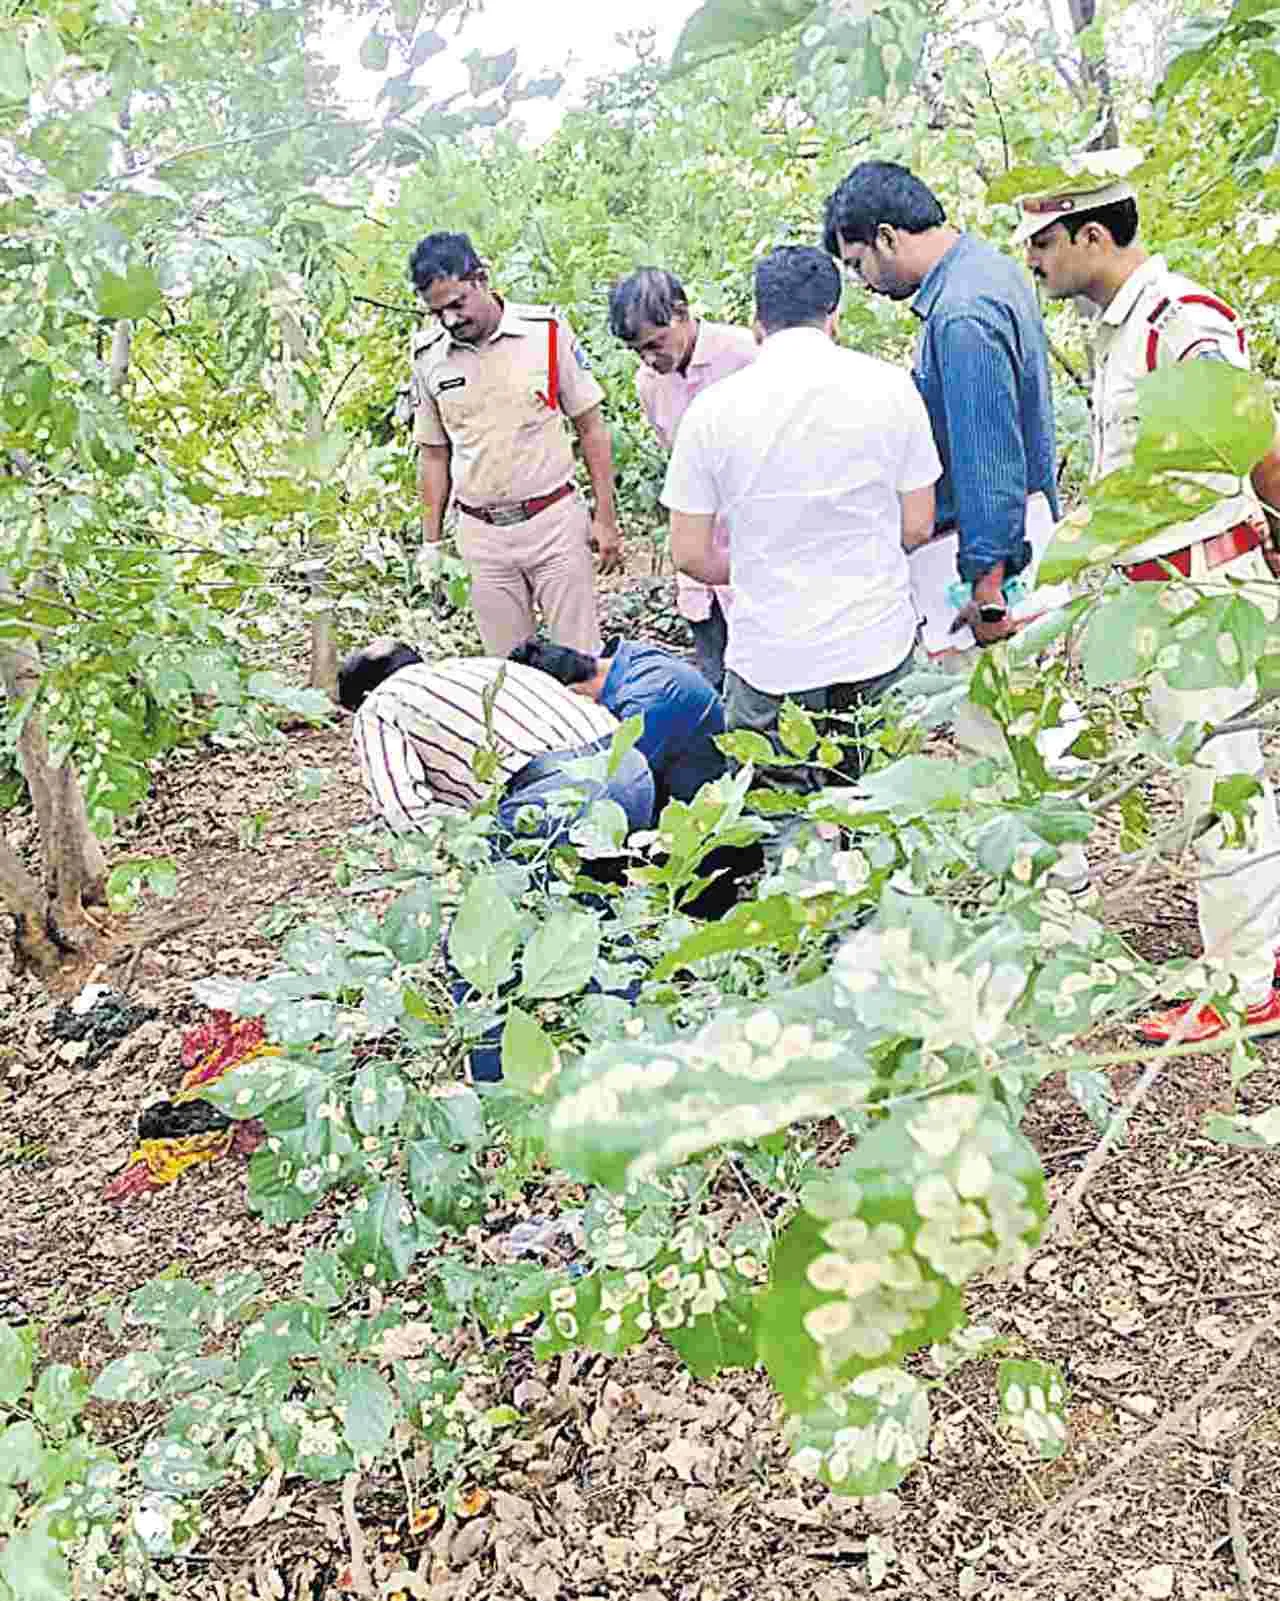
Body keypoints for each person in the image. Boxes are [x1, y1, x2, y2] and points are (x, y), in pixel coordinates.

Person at [1019, 168, 1280, 1043]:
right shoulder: (1113, 332)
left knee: (1220, 781)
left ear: (1095, 238)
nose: (1034, 261)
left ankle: (1245, 986)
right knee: (1214, 772)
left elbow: (1257, 447)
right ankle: (1252, 951)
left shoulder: (1184, 323)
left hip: (1205, 587)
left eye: (1046, 243)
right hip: (1158, 592)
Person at [661, 245, 940, 787]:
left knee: (784, 826)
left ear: (757, 323)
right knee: (885, 813)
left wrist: (762, 564)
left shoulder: (712, 413)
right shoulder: (891, 389)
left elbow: (690, 553)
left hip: (772, 655)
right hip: (875, 643)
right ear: (834, 316)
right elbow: (917, 525)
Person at [822, 160, 1060, 646]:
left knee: (1004, 714)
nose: (863, 282)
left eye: (858, 264)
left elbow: (988, 458)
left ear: (887, 238)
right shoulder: (987, 269)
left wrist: (987, 590)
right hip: (1027, 538)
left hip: (998, 579)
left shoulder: (961, 316)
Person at [407, 232, 623, 658]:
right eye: (437, 312)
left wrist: (606, 517)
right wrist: (430, 546)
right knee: (508, 673)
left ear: (482, 279)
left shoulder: (545, 333)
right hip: (481, 535)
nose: (450, 320)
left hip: (553, 521)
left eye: (457, 304)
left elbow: (591, 427)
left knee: (581, 662)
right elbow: (433, 454)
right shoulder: (427, 356)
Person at [338, 638, 654, 842]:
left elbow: (404, 813)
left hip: (562, 796)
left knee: (499, 931)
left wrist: (470, 847)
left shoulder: (380, 704)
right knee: (596, 917)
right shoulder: (484, 665)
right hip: (632, 771)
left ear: (363, 696)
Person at [608, 268, 757, 689]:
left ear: (681, 312)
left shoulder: (745, 355)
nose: (650, 359)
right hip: (699, 556)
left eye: (655, 343)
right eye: (639, 351)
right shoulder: (649, 384)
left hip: (752, 545)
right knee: (714, 678)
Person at [508, 634, 726, 809]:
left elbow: (620, 786)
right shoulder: (634, 654)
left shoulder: (643, 705)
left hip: (703, 814)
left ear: (572, 692)